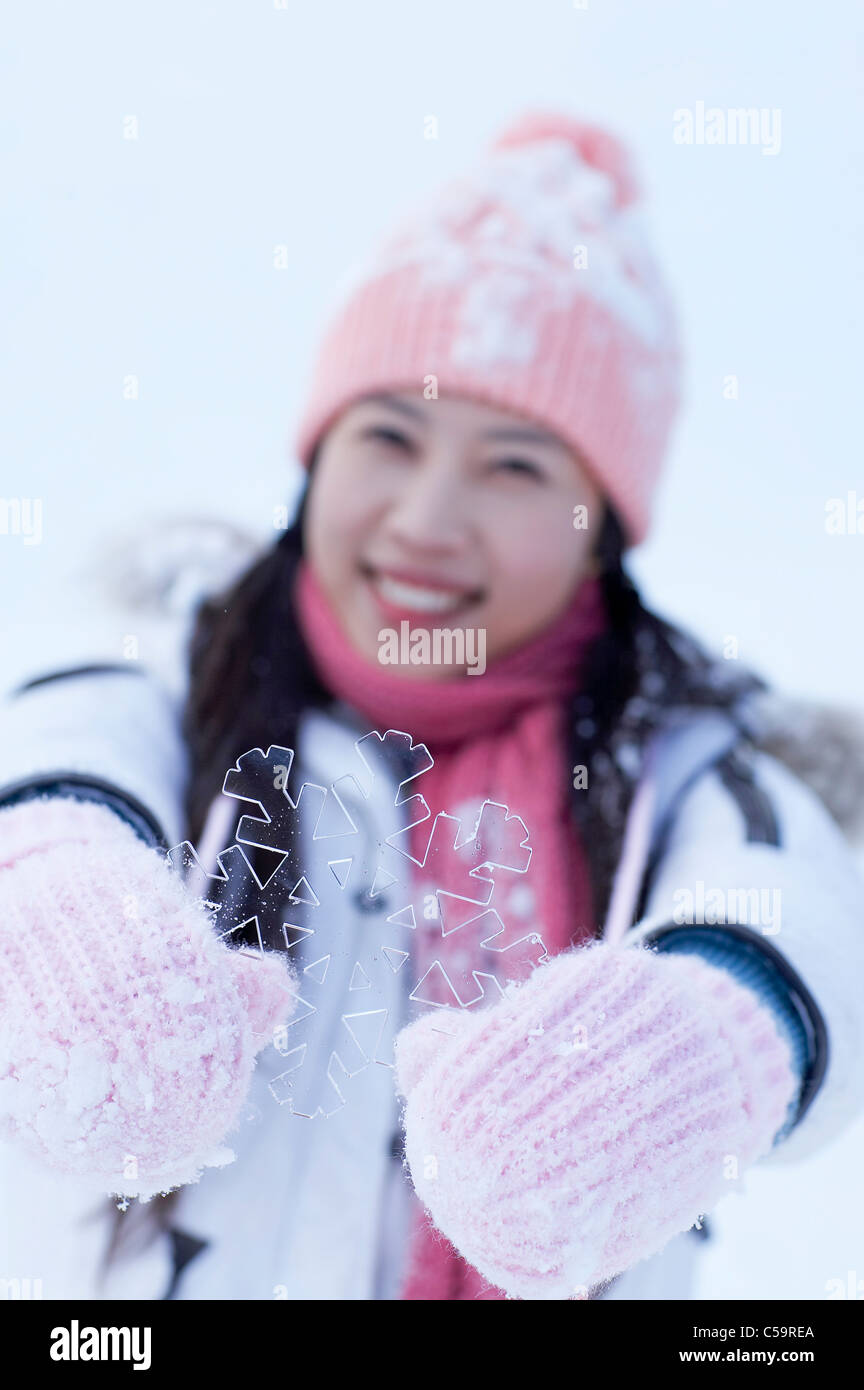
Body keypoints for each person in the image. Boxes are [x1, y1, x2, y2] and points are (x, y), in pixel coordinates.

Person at [1, 112, 863, 1303]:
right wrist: (54, 894)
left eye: (515, 465)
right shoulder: (167, 662)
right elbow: (58, 758)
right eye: (390, 437)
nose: (425, 519)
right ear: (315, 461)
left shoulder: (687, 759)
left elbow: (796, 922)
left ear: (601, 528)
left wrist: (695, 1041)